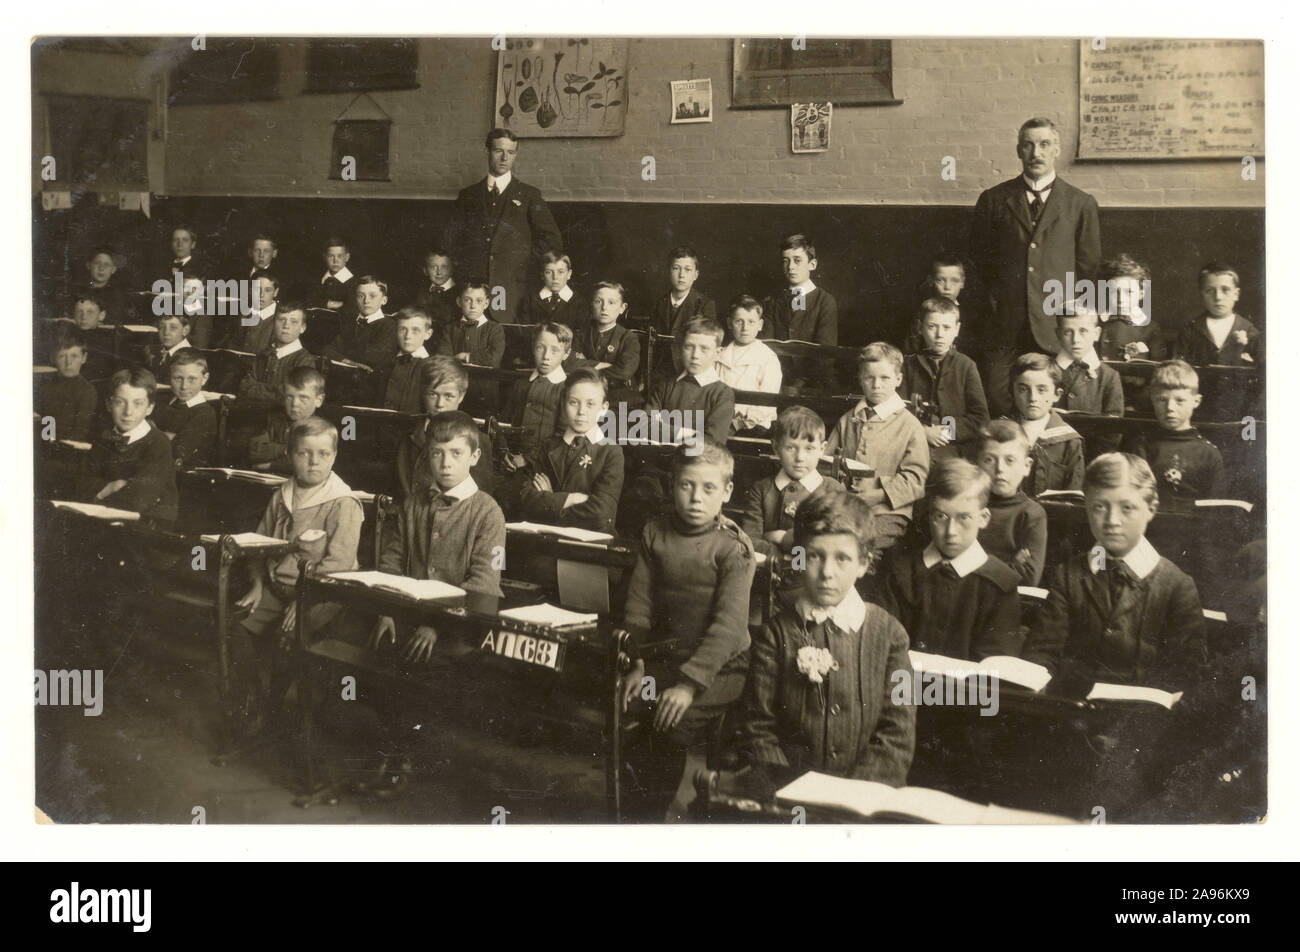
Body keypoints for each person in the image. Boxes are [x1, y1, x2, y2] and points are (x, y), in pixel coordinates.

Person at [619, 439, 756, 821]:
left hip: (721, 669)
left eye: (709, 488)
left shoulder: (734, 547)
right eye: (686, 485)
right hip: (662, 661)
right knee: (631, 711)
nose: (696, 497)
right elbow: (639, 605)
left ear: (727, 491)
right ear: (672, 484)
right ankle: (628, 820)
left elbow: (727, 629)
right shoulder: (655, 532)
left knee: (667, 723)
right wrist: (637, 662)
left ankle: (649, 822)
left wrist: (687, 685)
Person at [738, 491, 915, 786]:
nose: (827, 573)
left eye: (842, 558)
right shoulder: (775, 633)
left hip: (863, 801)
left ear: (863, 564)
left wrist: (857, 793)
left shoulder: (890, 634)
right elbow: (758, 728)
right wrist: (789, 786)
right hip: (789, 792)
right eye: (815, 556)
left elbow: (897, 732)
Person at [1023, 453, 1206, 691]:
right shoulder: (1068, 575)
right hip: (1071, 712)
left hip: (1140, 719)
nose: (1112, 520)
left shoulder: (1177, 585)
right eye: (1099, 507)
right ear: (1086, 507)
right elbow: (1043, 653)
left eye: (1127, 508)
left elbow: (1185, 673)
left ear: (1150, 509)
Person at [232, 417, 363, 728]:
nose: (314, 462)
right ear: (289, 455)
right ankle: (252, 697)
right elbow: (260, 545)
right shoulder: (282, 494)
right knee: (234, 624)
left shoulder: (342, 503)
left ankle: (271, 713)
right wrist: (257, 584)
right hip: (276, 589)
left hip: (322, 595)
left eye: (323, 454)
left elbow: (338, 566)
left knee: (287, 638)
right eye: (304, 453)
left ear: (334, 456)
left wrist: (304, 601)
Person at [970, 117, 1101, 416]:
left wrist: (1076, 322)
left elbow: (1088, 270)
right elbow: (978, 263)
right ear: (1018, 151)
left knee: (1056, 401)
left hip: (1056, 326)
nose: (1036, 153)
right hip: (1004, 326)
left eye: (1044, 145)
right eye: (1028, 145)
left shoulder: (1080, 203)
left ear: (1056, 149)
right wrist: (993, 306)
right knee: (997, 398)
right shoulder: (993, 200)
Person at [879, 458, 1022, 660]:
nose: (951, 532)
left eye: (964, 518)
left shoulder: (1000, 584)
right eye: (941, 517)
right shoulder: (900, 570)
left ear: (983, 518)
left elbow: (996, 667)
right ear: (929, 516)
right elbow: (883, 646)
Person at [446, 128, 561, 324]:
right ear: (487, 152)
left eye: (511, 152)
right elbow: (452, 240)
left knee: (505, 337)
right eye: (498, 151)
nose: (504, 157)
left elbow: (552, 240)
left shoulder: (528, 195)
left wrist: (521, 260)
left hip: (511, 288)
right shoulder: (468, 196)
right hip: (474, 290)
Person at [826, 342, 930, 551]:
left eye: (885, 378)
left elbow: (916, 479)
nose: (876, 385)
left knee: (856, 545)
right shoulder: (848, 420)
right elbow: (826, 463)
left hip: (888, 512)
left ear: (898, 379)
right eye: (869, 378)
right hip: (846, 507)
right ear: (860, 379)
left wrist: (879, 493)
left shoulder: (909, 425)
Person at [518, 369, 625, 534]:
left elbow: (601, 515)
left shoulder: (611, 452)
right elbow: (525, 500)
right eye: (573, 402)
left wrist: (552, 500)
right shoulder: (548, 447)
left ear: (603, 409)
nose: (581, 411)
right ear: (563, 404)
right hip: (546, 539)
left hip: (592, 544)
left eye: (590, 404)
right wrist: (571, 499)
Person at [739, 405, 845, 560]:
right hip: (769, 571)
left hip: (813, 577)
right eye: (790, 448)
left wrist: (783, 539)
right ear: (776, 448)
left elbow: (833, 542)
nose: (800, 457)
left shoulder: (832, 489)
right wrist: (781, 559)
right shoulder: (761, 489)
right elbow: (750, 539)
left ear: (822, 449)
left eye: (809, 448)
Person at [76, 368, 178, 521]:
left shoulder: (159, 443)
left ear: (149, 407)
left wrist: (99, 494)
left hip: (149, 525)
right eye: (120, 402)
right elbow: (81, 485)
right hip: (105, 519)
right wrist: (112, 487)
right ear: (109, 404)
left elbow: (139, 500)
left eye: (138, 404)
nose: (128, 412)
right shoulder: (104, 437)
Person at [1119, 359, 1227, 504]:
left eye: (1180, 400)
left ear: (1196, 401)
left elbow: (1215, 510)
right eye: (1162, 400)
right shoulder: (1140, 447)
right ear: (1152, 399)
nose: (1170, 407)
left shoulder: (1209, 454)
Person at [900, 296, 989, 460]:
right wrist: (922, 431)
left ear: (957, 329)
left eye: (947, 327)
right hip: (913, 442)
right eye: (932, 326)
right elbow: (898, 410)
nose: (940, 334)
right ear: (920, 327)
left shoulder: (966, 366)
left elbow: (980, 419)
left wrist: (945, 430)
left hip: (954, 449)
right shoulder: (908, 365)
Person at [974, 419, 1048, 586]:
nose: (1000, 468)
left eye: (1010, 460)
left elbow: (1028, 577)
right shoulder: (968, 505)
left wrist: (970, 563)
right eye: (989, 460)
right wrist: (1010, 566)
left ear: (1027, 466)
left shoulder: (1032, 514)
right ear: (977, 464)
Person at [1006, 352, 1084, 494]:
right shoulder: (1001, 432)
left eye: (1041, 390)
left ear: (1057, 394)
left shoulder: (1069, 441)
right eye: (1023, 390)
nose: (1032, 398)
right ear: (1012, 392)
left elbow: (1074, 492)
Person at [1171, 262, 1262, 367]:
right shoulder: (1190, 330)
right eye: (1210, 291)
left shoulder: (1250, 331)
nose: (1218, 297)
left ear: (1236, 294)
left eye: (1225, 290)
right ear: (1202, 295)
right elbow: (1177, 369)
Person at [716, 295, 782, 434]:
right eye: (739, 321)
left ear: (760, 325)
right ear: (729, 323)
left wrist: (737, 424)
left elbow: (766, 404)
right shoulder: (720, 354)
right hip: (721, 420)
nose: (745, 328)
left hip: (754, 425)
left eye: (751, 322)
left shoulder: (768, 358)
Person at [151, 348, 217, 468]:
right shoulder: (162, 403)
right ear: (170, 376)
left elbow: (178, 453)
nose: (184, 386)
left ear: (204, 378)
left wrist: (152, 434)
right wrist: (168, 437)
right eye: (178, 378)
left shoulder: (204, 414)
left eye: (192, 379)